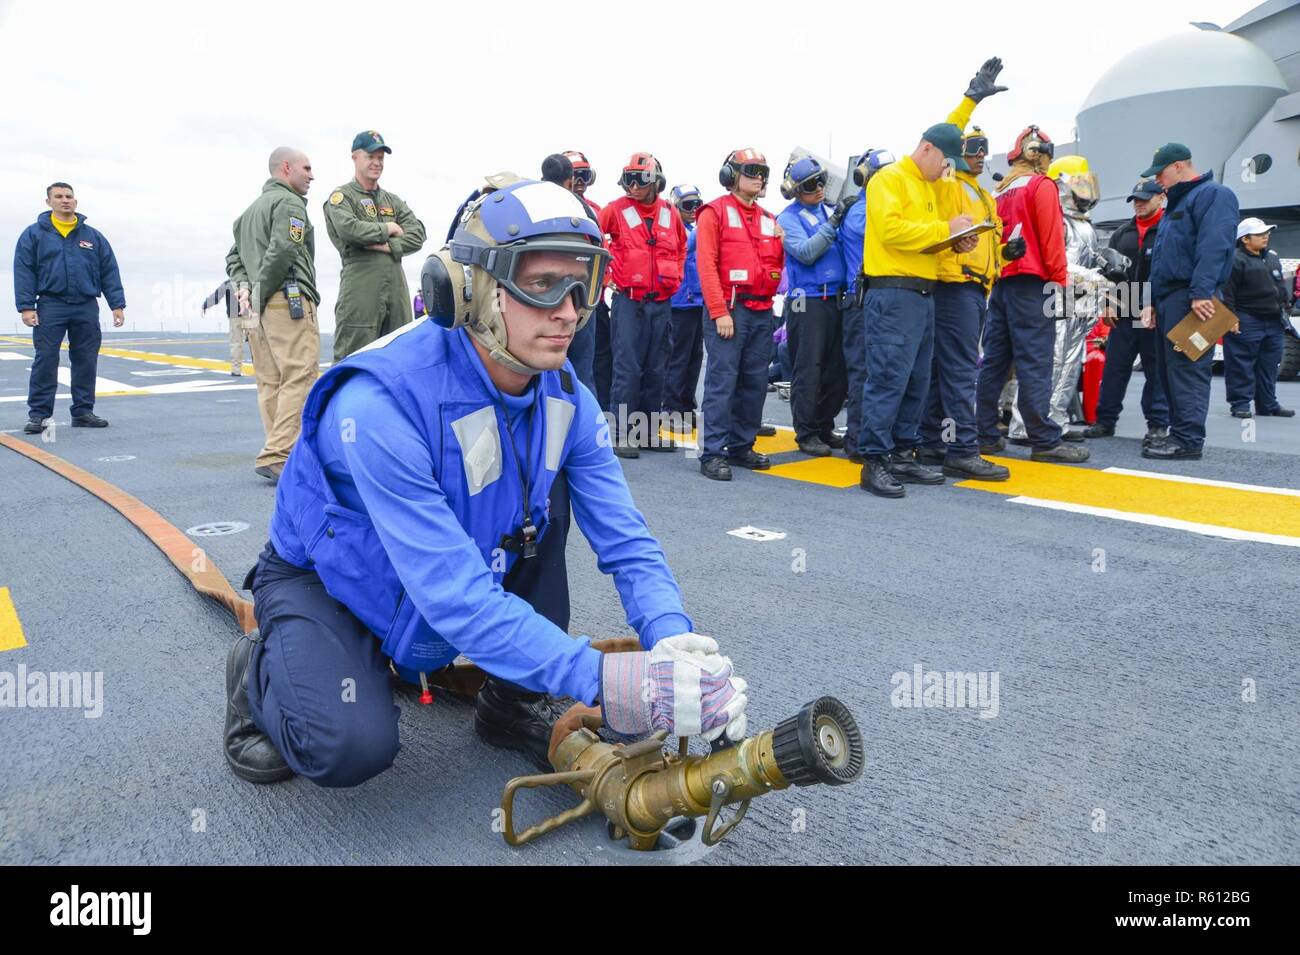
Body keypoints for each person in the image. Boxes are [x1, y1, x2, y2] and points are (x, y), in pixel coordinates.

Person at [223, 178, 749, 786]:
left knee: (545, 489)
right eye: (542, 283)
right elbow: (451, 593)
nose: (571, 310)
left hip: (458, 566)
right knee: (347, 749)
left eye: (583, 282)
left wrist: (671, 642)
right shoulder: (378, 404)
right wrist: (606, 681)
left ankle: (509, 702)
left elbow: (625, 539)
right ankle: (256, 673)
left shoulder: (565, 396)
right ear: (468, 289)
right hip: (336, 584)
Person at [857, 125, 979, 498]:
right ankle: (875, 459)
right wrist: (946, 227)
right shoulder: (888, 179)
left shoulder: (928, 187)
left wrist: (953, 244)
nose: (947, 170)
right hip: (892, 292)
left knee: (916, 380)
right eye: (944, 161)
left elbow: (922, 240)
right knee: (888, 378)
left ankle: (902, 452)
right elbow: (892, 231)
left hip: (922, 293)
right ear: (926, 149)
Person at [918, 58, 1013, 481]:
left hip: (973, 289)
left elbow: (978, 244)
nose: (977, 154)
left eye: (982, 148)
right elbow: (942, 136)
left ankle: (933, 442)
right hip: (955, 287)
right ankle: (963, 448)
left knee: (945, 369)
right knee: (959, 369)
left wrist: (1007, 254)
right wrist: (970, 99)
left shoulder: (981, 192)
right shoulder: (949, 180)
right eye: (970, 148)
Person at [975, 126, 1090, 465]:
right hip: (1033, 285)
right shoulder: (1041, 186)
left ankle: (984, 432)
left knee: (995, 362)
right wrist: (1060, 283)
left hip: (1002, 285)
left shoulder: (1000, 190)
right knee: (1035, 363)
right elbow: (1051, 239)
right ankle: (1044, 440)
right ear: (1037, 154)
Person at [226, 147, 321, 483]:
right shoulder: (290, 204)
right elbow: (284, 249)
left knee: (269, 381)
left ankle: (278, 452)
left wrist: (246, 291)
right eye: (306, 168)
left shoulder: (248, 213)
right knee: (300, 375)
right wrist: (262, 291)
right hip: (286, 300)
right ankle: (279, 453)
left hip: (256, 309)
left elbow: (233, 259)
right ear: (286, 168)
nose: (311, 175)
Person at [1140, 143, 1240, 460]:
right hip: (1172, 298)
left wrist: (1201, 292)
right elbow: (1162, 260)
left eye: (1161, 172)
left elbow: (1215, 246)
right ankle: (1178, 432)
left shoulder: (1214, 195)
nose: (1158, 180)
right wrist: (1153, 301)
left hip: (1193, 297)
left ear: (1180, 166)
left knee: (1188, 369)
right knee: (1170, 370)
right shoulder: (1176, 204)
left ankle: (1188, 441)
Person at [695, 149, 785, 481]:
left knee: (754, 381)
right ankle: (712, 452)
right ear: (731, 174)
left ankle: (741, 445)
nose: (759, 177)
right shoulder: (713, 213)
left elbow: (775, 267)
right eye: (751, 171)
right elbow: (706, 266)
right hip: (730, 309)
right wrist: (720, 311)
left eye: (763, 172)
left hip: (762, 311)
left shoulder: (769, 219)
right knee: (722, 382)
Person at [1004, 154, 1103, 443]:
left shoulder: (1083, 223)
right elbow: (1057, 261)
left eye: (1087, 183)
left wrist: (1105, 263)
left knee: (1069, 364)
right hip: (1056, 300)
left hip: (1079, 305)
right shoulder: (1055, 220)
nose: (1085, 190)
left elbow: (1083, 257)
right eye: (1079, 184)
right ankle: (1024, 426)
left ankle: (1055, 420)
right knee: (1047, 363)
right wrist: (1099, 277)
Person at [14, 182, 125, 434]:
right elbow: (24, 271)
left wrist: (116, 303)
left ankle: (83, 411)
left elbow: (109, 270)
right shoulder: (34, 235)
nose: (65, 200)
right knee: (46, 359)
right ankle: (40, 415)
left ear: (75, 201)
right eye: (59, 196)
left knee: (86, 359)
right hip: (50, 305)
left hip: (85, 305)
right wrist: (26, 306)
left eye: (69, 196)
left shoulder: (92, 236)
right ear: (48, 202)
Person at [598, 153, 687, 457]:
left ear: (654, 182)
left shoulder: (670, 213)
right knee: (627, 368)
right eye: (628, 180)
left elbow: (681, 248)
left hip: (660, 303)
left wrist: (676, 277)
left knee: (656, 368)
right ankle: (621, 434)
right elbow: (594, 240)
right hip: (629, 302)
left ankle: (648, 433)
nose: (633, 186)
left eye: (640, 180)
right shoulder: (615, 211)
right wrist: (608, 276)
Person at [323, 131, 427, 362]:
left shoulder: (392, 200)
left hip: (396, 287)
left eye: (380, 158)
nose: (377, 163)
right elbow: (349, 230)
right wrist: (388, 227)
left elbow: (418, 234)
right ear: (355, 157)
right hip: (361, 285)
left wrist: (388, 247)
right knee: (354, 354)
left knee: (400, 352)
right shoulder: (342, 197)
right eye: (371, 156)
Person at [777, 157, 853, 457]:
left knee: (837, 368)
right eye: (810, 185)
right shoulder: (788, 219)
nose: (819, 189)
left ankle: (823, 425)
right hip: (807, 301)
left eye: (821, 181)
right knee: (808, 368)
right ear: (796, 190)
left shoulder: (828, 210)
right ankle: (807, 431)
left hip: (835, 298)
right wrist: (834, 223)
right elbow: (806, 253)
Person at [1084, 180, 1170, 445]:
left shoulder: (1169, 229)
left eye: (1144, 198)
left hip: (1153, 307)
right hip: (1125, 306)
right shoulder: (1122, 233)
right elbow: (1111, 273)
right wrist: (1108, 303)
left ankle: (1157, 425)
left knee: (1156, 370)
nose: (1139, 203)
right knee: (1115, 368)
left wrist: (1154, 303)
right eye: (1135, 199)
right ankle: (1105, 421)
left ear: (1161, 198)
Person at [838, 148, 893, 463]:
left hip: (877, 300)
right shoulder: (860, 213)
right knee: (863, 373)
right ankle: (857, 440)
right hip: (860, 301)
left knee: (881, 372)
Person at [1222, 217, 1294, 418]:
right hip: (1246, 319)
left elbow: (1279, 286)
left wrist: (1286, 308)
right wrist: (1230, 318)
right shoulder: (1234, 259)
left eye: (1267, 233)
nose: (1266, 237)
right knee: (1240, 365)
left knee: (1269, 365)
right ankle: (1240, 405)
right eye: (1260, 234)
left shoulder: (1271, 257)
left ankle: (1267, 404)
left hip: (1273, 321)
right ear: (1245, 239)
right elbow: (1227, 292)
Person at [545, 152, 601, 395]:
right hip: (580, 300)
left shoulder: (528, 207)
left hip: (542, 300)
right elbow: (599, 256)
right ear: (569, 180)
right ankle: (585, 427)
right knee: (581, 371)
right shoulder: (586, 213)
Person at [566, 150, 615, 410]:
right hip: (557, 298)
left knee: (588, 366)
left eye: (585, 174)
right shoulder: (545, 205)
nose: (580, 180)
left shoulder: (596, 211)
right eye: (575, 175)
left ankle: (592, 422)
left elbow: (605, 250)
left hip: (588, 298)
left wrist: (601, 286)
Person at [664, 184, 706, 428]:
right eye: (688, 206)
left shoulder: (694, 229)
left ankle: (687, 406)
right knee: (677, 358)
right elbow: (686, 246)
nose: (693, 210)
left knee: (694, 357)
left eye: (696, 205)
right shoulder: (675, 230)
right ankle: (671, 408)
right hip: (679, 303)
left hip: (698, 302)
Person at [202, 280, 247, 376]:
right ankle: (262, 370)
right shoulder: (251, 279)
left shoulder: (228, 283)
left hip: (235, 315)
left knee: (236, 343)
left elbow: (216, 297)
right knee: (257, 344)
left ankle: (236, 370)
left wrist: (205, 305)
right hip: (251, 314)